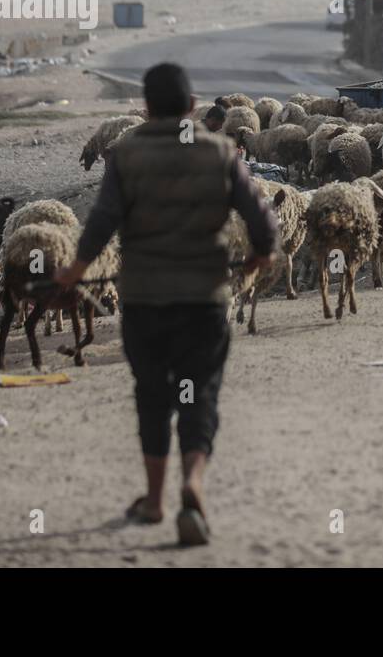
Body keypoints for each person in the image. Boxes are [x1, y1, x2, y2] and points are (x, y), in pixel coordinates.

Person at [55, 63, 279, 545]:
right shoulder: (220, 151)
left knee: (153, 396)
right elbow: (261, 222)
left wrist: (75, 270)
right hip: (204, 300)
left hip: (145, 300)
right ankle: (192, 484)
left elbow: (102, 220)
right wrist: (259, 256)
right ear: (193, 107)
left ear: (148, 107)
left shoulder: (127, 153)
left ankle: (155, 500)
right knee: (200, 393)